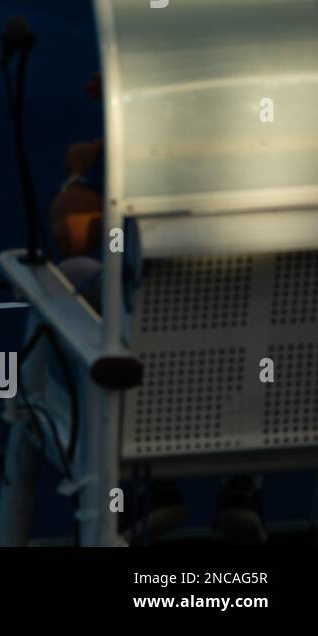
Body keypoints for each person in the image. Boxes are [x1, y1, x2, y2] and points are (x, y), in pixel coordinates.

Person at [51, 72, 266, 544]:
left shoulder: (153, 182)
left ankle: (148, 486)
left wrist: (81, 169)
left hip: (166, 375)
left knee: (69, 276)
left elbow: (73, 231)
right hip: (260, 390)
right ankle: (242, 491)